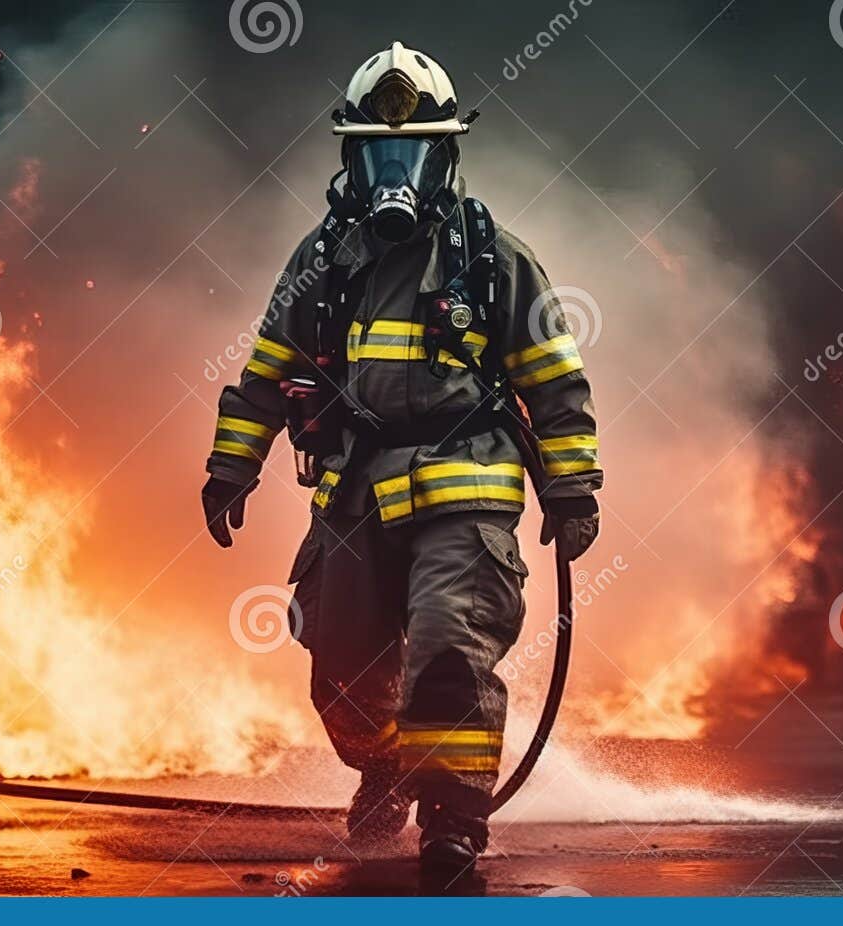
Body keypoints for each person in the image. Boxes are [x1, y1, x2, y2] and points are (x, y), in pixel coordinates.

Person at [200, 42, 602, 879]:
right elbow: (268, 370)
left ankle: (452, 818)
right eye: (379, 152)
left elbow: (557, 381)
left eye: (412, 152)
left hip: (468, 490)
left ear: (445, 157)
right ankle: (384, 765)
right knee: (339, 669)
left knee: (449, 648)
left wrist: (573, 492)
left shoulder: (493, 260)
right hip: (354, 492)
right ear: (352, 154)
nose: (396, 170)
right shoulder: (322, 259)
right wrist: (232, 465)